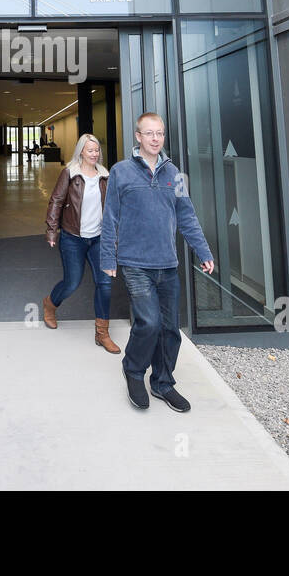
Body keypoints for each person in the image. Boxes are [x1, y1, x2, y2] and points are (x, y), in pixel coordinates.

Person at [100, 112, 215, 412]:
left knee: (169, 329)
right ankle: (134, 370)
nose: (155, 139)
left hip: (167, 264)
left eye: (160, 133)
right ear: (137, 136)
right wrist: (107, 257)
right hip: (135, 263)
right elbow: (110, 218)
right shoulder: (121, 172)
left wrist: (203, 252)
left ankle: (163, 383)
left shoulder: (173, 174)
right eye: (149, 133)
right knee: (148, 323)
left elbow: (186, 216)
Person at [40, 133, 120, 354]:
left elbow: (113, 207)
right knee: (72, 282)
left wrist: (114, 236)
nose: (94, 154)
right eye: (90, 150)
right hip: (73, 237)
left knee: (104, 283)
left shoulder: (105, 175)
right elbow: (56, 200)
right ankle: (50, 303)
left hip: (99, 239)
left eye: (97, 150)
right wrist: (51, 230)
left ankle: (102, 333)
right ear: (81, 152)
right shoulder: (70, 173)